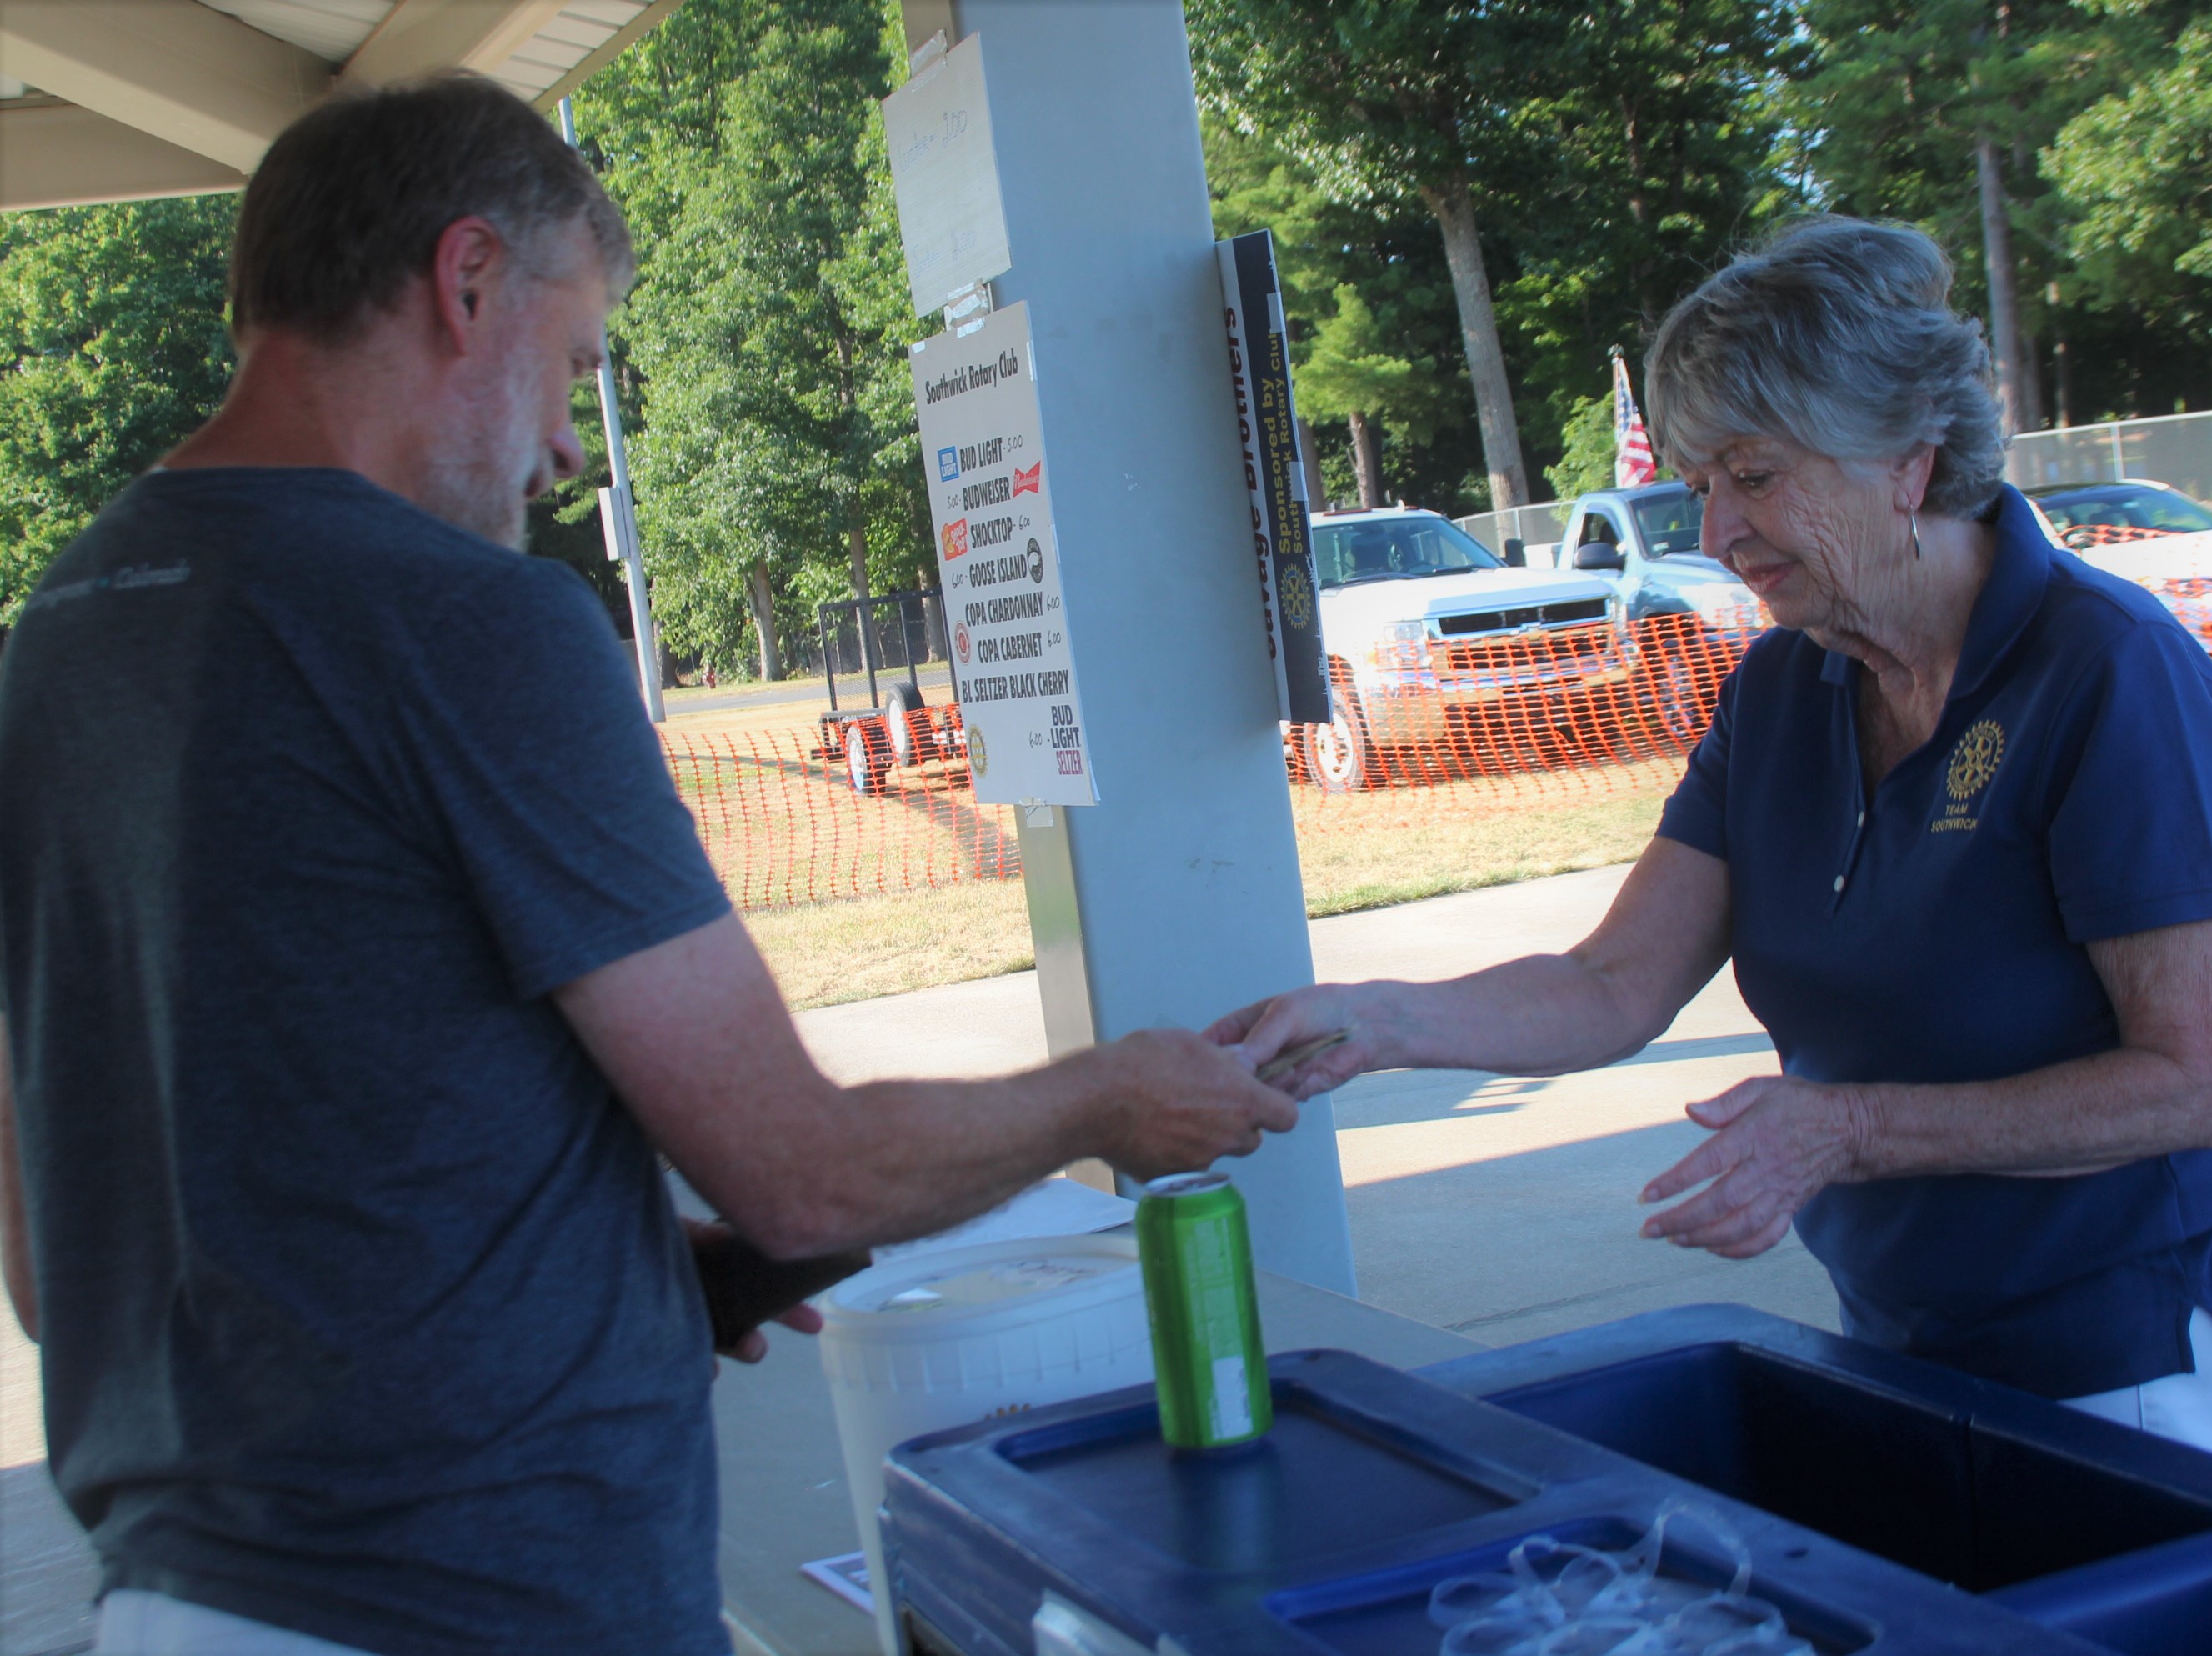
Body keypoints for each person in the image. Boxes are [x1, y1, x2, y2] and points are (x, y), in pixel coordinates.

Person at [0, 76, 1295, 1656]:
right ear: (466, 281)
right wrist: (1111, 1099)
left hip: (177, 1606)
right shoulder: (464, 620)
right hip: (479, 1602)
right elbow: (801, 1171)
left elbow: (68, 1266)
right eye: (575, 363)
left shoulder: (58, 638)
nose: (565, 447)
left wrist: (589, 1267)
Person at [1220, 217, 2212, 1460]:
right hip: (1899, 1338)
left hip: (2131, 1360)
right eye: (1698, 483)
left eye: (1755, 477)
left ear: (1908, 465)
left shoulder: (2107, 672)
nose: (1714, 532)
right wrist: (1369, 1024)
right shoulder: (1783, 689)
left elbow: (2196, 1087)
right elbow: (1611, 984)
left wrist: (1844, 1128)